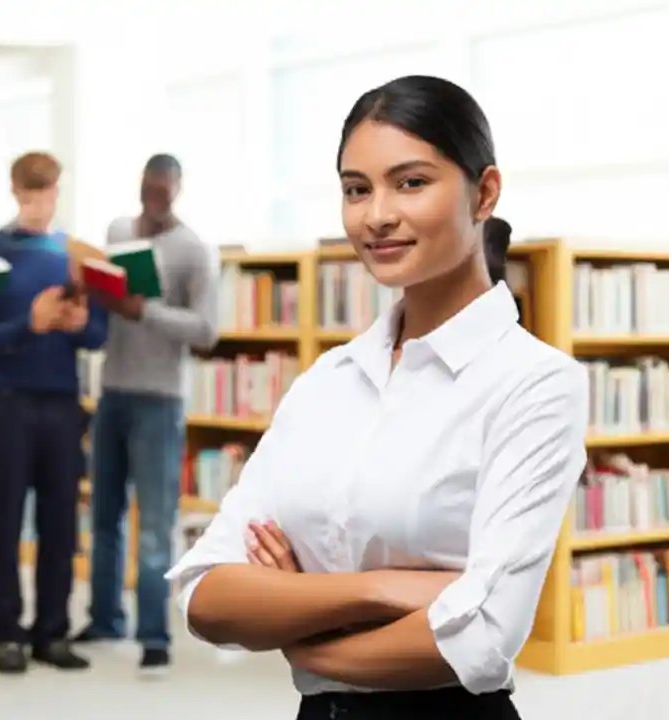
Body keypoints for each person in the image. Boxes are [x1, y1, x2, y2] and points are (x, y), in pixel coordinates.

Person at [165, 75, 588, 720]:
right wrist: (384, 590)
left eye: (411, 182)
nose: (376, 214)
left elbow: (480, 638)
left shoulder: (534, 383)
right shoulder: (326, 382)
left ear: (485, 193)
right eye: (356, 189)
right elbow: (204, 594)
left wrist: (299, 627)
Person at [0, 151, 108, 675]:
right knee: (7, 523)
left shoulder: (74, 255)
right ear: (14, 192)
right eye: (28, 197)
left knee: (60, 524)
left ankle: (52, 632)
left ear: (58, 193)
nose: (38, 208)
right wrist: (30, 325)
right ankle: (7, 634)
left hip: (63, 406)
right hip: (7, 405)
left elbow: (97, 335)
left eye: (46, 197)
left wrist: (76, 323)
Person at [72, 153, 219, 675]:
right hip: (111, 393)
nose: (153, 198)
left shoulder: (194, 250)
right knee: (104, 514)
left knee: (156, 523)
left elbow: (206, 332)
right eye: (146, 188)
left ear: (178, 189)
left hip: (160, 400)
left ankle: (154, 635)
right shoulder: (116, 230)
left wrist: (144, 312)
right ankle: (105, 616)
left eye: (163, 190)